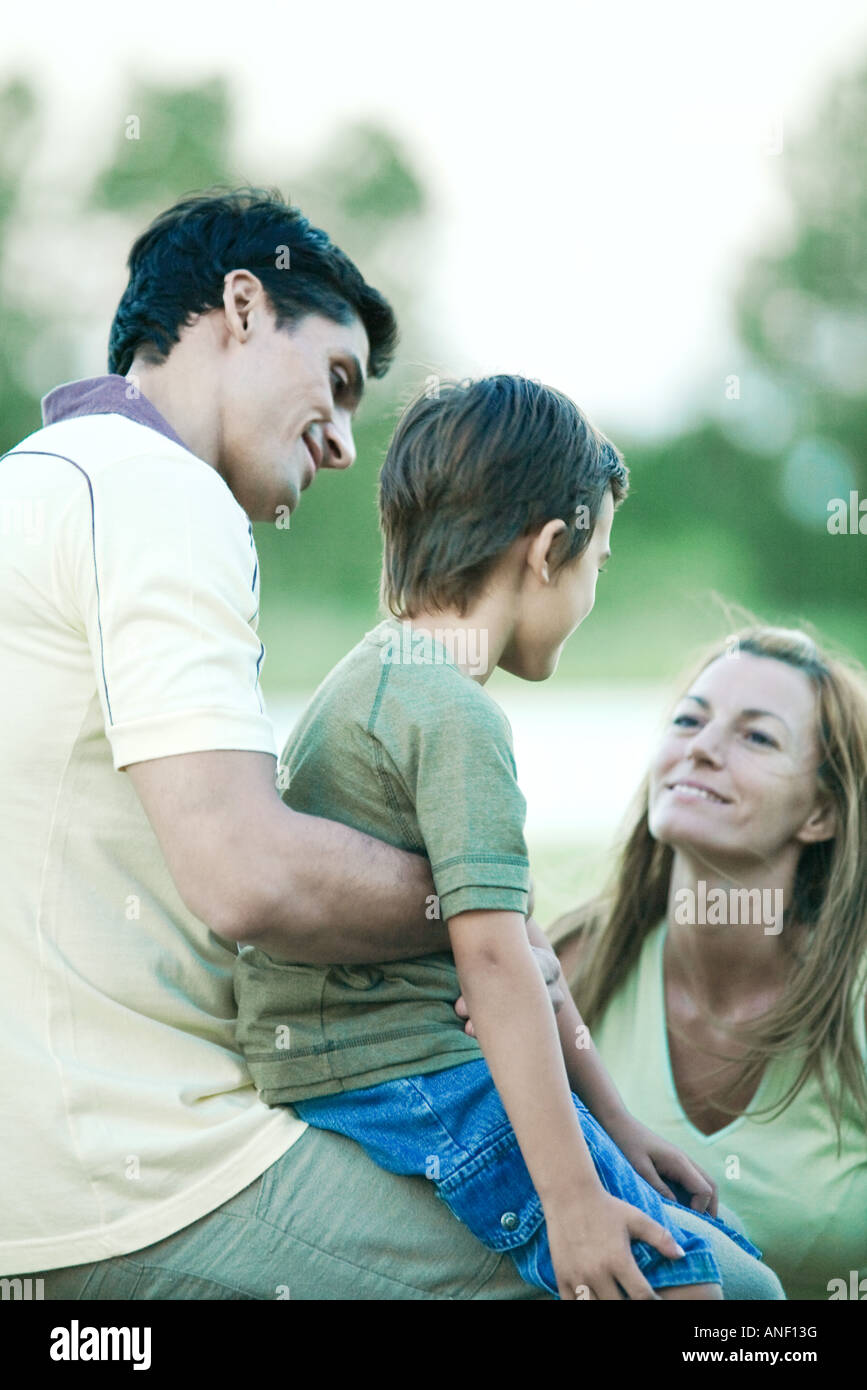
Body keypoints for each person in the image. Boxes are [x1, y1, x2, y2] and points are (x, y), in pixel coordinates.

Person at [0, 186, 782, 1301]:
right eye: (337, 379)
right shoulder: (158, 495)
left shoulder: (38, 482)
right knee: (726, 1302)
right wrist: (479, 913)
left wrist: (490, 924)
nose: (341, 439)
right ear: (240, 305)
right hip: (148, 1174)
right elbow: (245, 874)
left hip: (46, 1175)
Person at [233, 376, 772, 1300]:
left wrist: (618, 1128)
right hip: (403, 1072)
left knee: (722, 1244)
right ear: (549, 550)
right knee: (686, 1284)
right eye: (598, 562)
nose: (594, 586)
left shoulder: (377, 673)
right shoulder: (456, 719)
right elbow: (493, 965)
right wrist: (571, 1198)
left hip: (397, 1059)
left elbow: (520, 947)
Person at [546, 625, 867, 1300]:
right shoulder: (571, 967)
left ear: (821, 815)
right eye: (689, 720)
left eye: (756, 737)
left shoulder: (855, 994)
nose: (701, 747)